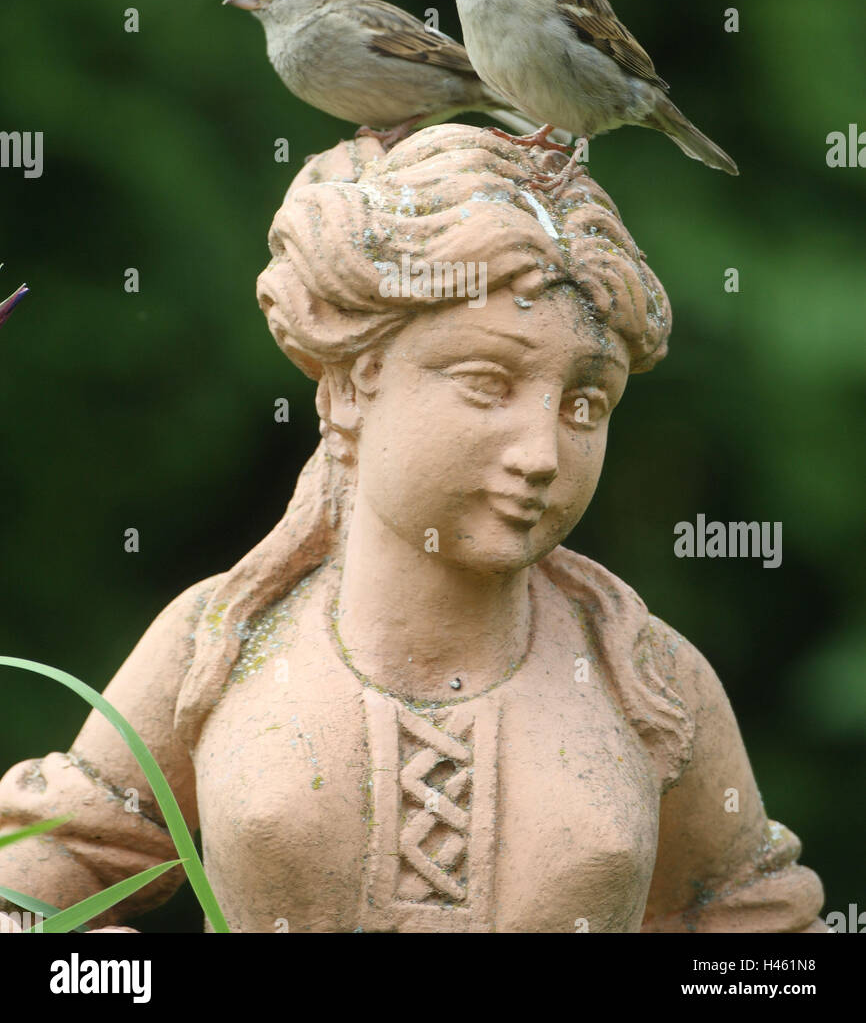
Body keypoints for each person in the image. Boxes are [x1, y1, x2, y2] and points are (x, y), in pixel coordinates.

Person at [0, 127, 825, 932]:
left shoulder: (647, 680)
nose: (541, 454)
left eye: (584, 404)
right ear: (353, 383)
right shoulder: (218, 643)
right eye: (486, 382)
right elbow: (29, 890)